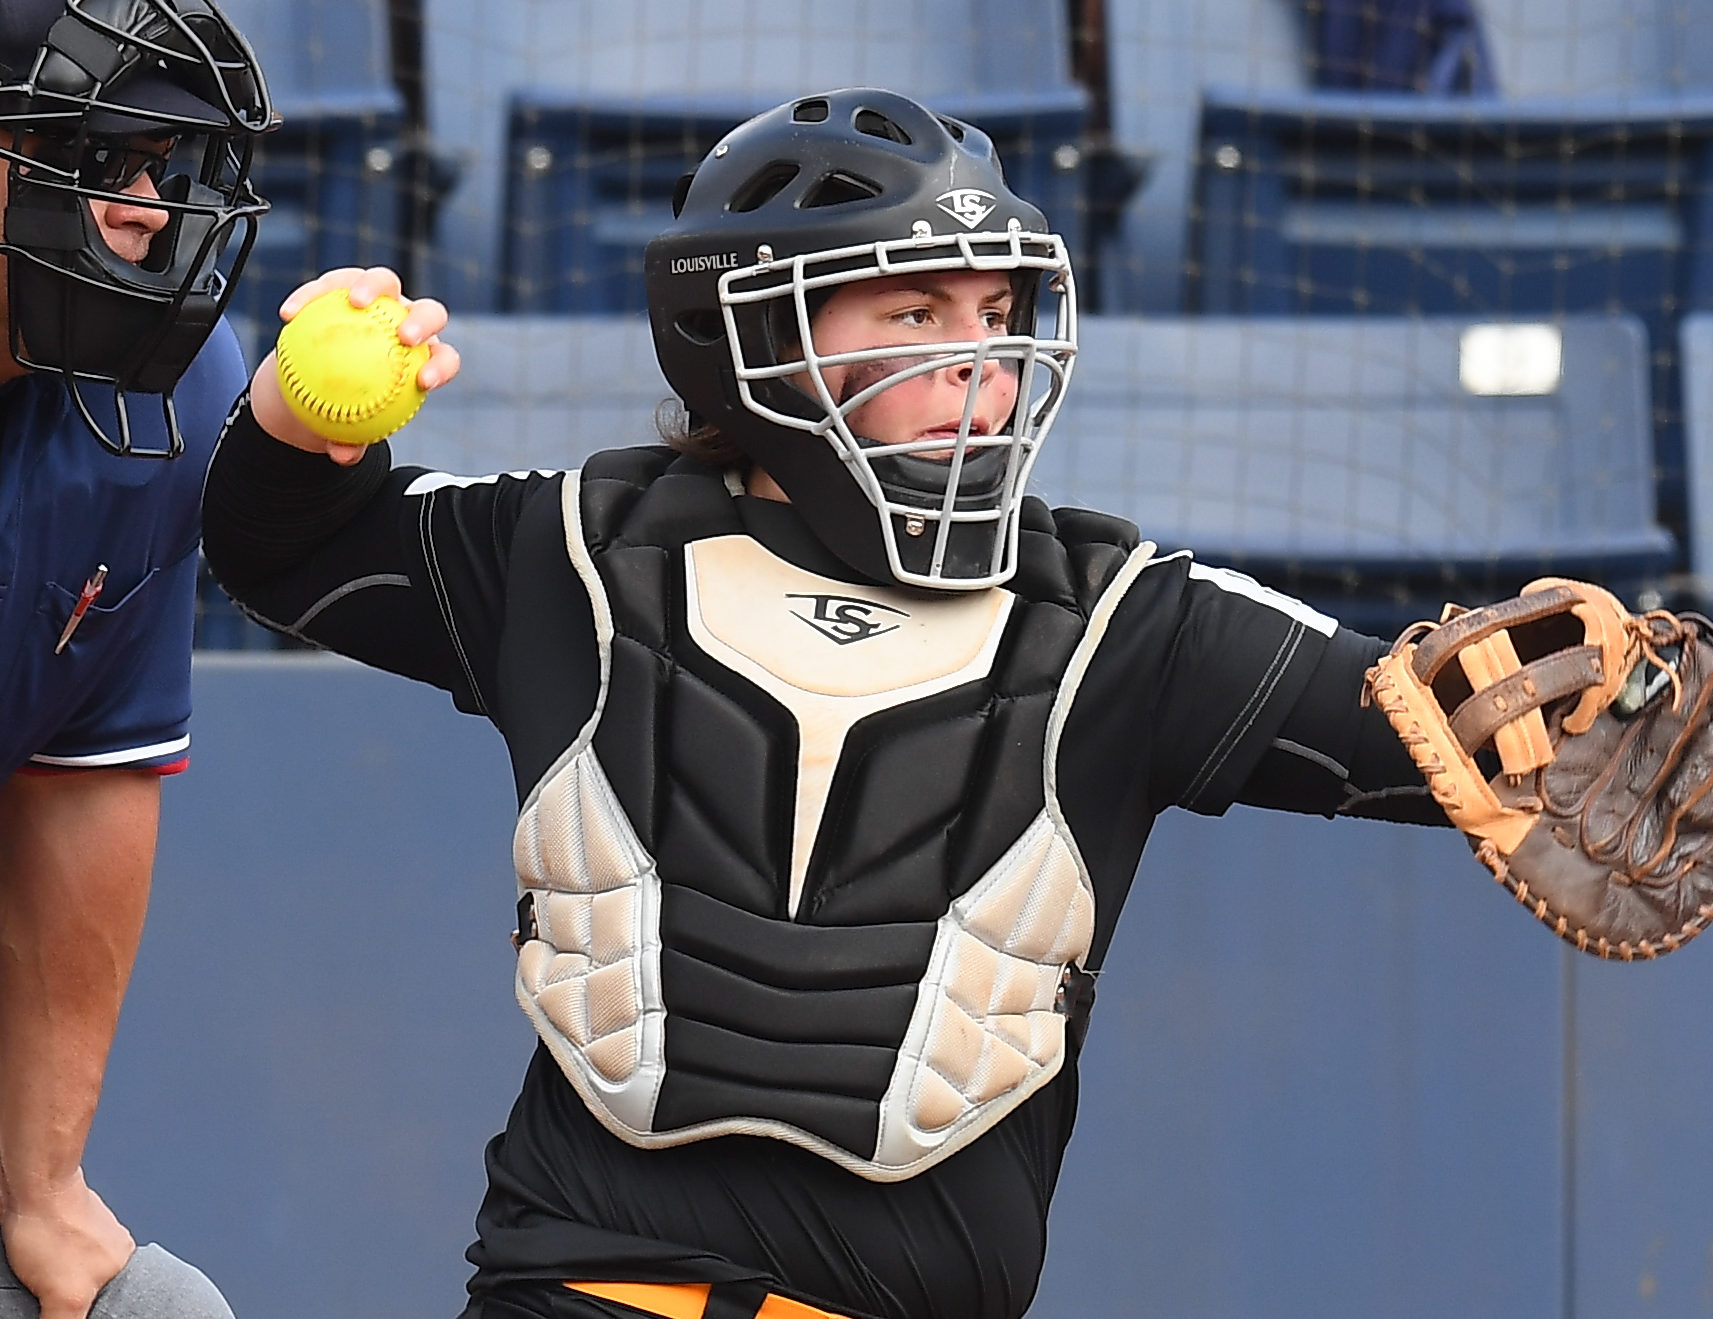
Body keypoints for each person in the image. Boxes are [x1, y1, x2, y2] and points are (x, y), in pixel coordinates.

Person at [203, 89, 1583, 1319]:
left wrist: (1614, 706)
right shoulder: (571, 551)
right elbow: (287, 550)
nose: (980, 359)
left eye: (994, 315)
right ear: (754, 330)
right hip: (583, 1290)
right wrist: (293, 421)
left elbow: (1427, 722)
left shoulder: (1113, 615)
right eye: (915, 312)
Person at [0, 2, 272, 1318]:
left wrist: (41, 1185)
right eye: (99, 160)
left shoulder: (166, 393)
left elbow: (82, 779)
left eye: (160, 167)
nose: (151, 212)